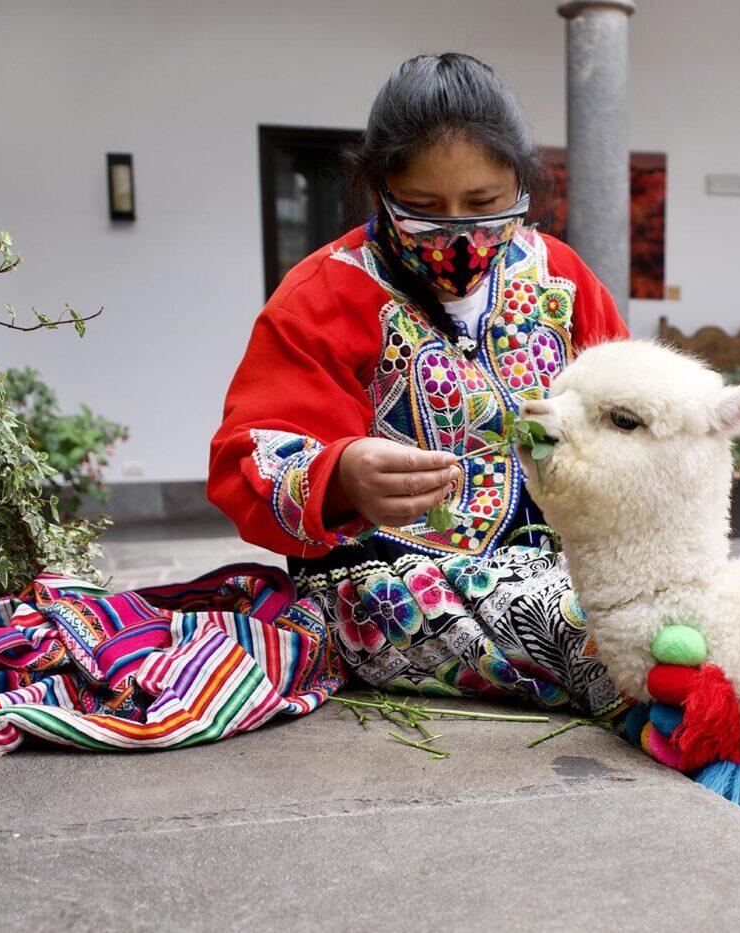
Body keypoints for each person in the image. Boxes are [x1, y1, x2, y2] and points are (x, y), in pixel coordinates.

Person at [208, 53, 629, 718]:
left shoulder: (561, 277)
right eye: (425, 208)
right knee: (609, 642)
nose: (459, 233)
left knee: (667, 619)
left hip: (559, 566)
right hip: (395, 592)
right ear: (380, 190)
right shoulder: (323, 294)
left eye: (485, 204)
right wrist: (339, 475)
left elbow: (627, 402)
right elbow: (251, 454)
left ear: (521, 184)